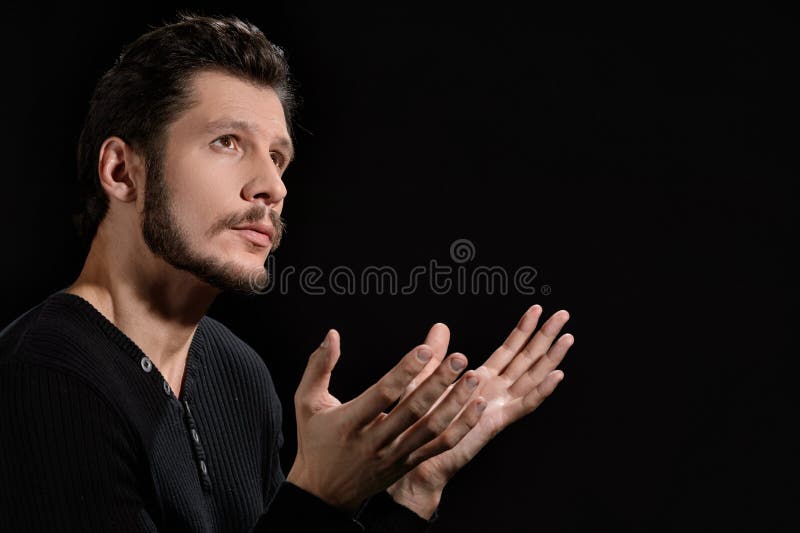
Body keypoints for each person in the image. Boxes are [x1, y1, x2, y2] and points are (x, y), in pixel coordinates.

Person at [0, 11, 574, 532]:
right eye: (227, 142)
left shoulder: (238, 374)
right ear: (122, 170)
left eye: (278, 158)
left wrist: (408, 490)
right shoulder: (44, 380)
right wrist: (320, 497)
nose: (271, 186)